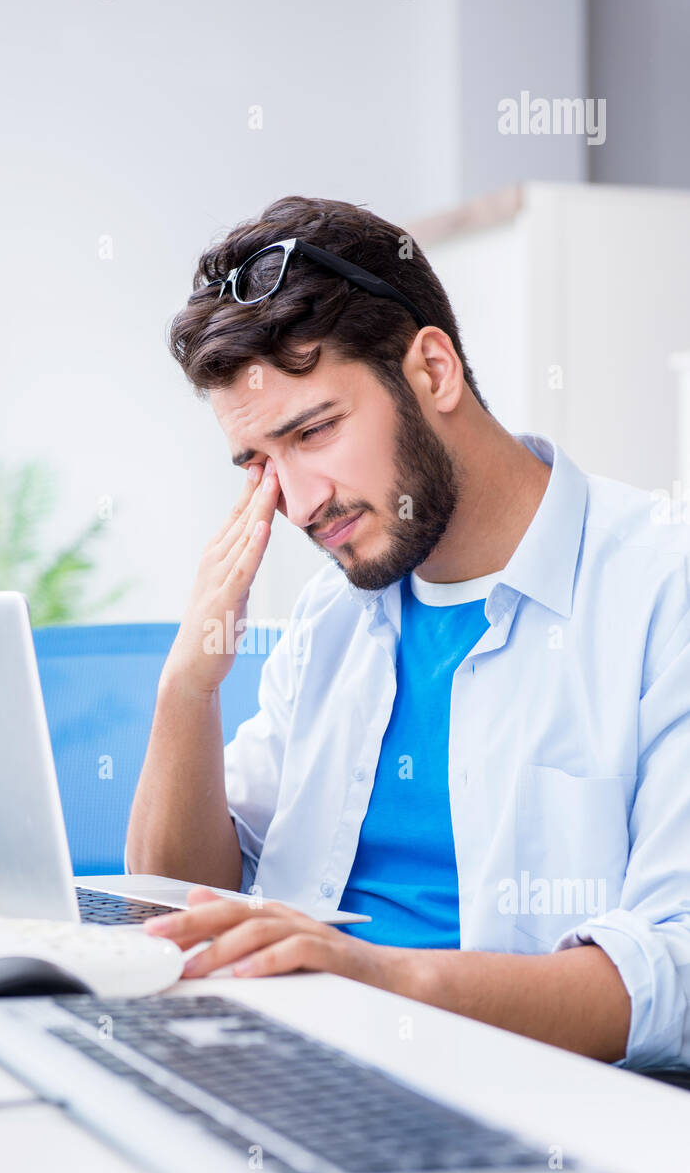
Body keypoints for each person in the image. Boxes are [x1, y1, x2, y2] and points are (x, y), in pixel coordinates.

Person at [126, 194, 690, 1069]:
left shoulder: (660, 589)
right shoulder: (333, 616)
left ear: (432, 371)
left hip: (534, 1113)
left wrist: (384, 982)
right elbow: (172, 910)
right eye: (259, 464)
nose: (301, 503)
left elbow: (674, 975)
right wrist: (187, 686)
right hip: (292, 1064)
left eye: (313, 431)